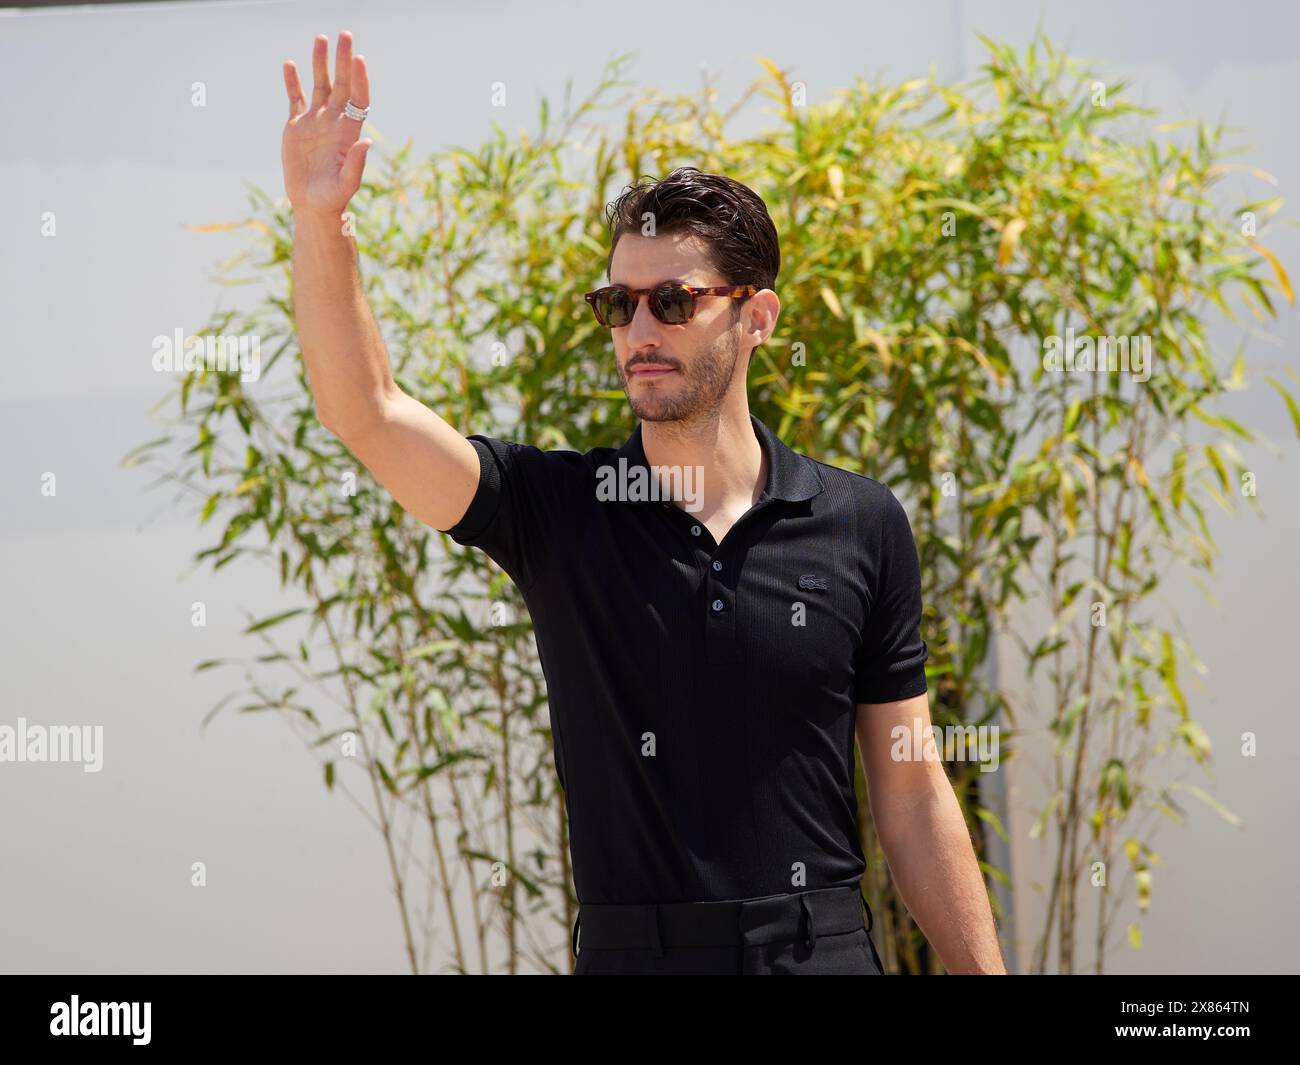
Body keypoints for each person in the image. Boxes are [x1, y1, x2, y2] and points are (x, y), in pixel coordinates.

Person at [281, 30, 1006, 975]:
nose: (638, 330)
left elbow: (912, 798)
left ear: (756, 317)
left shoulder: (861, 522)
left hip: (820, 953)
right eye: (617, 305)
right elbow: (365, 411)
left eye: (674, 301)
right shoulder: (557, 512)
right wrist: (320, 220)